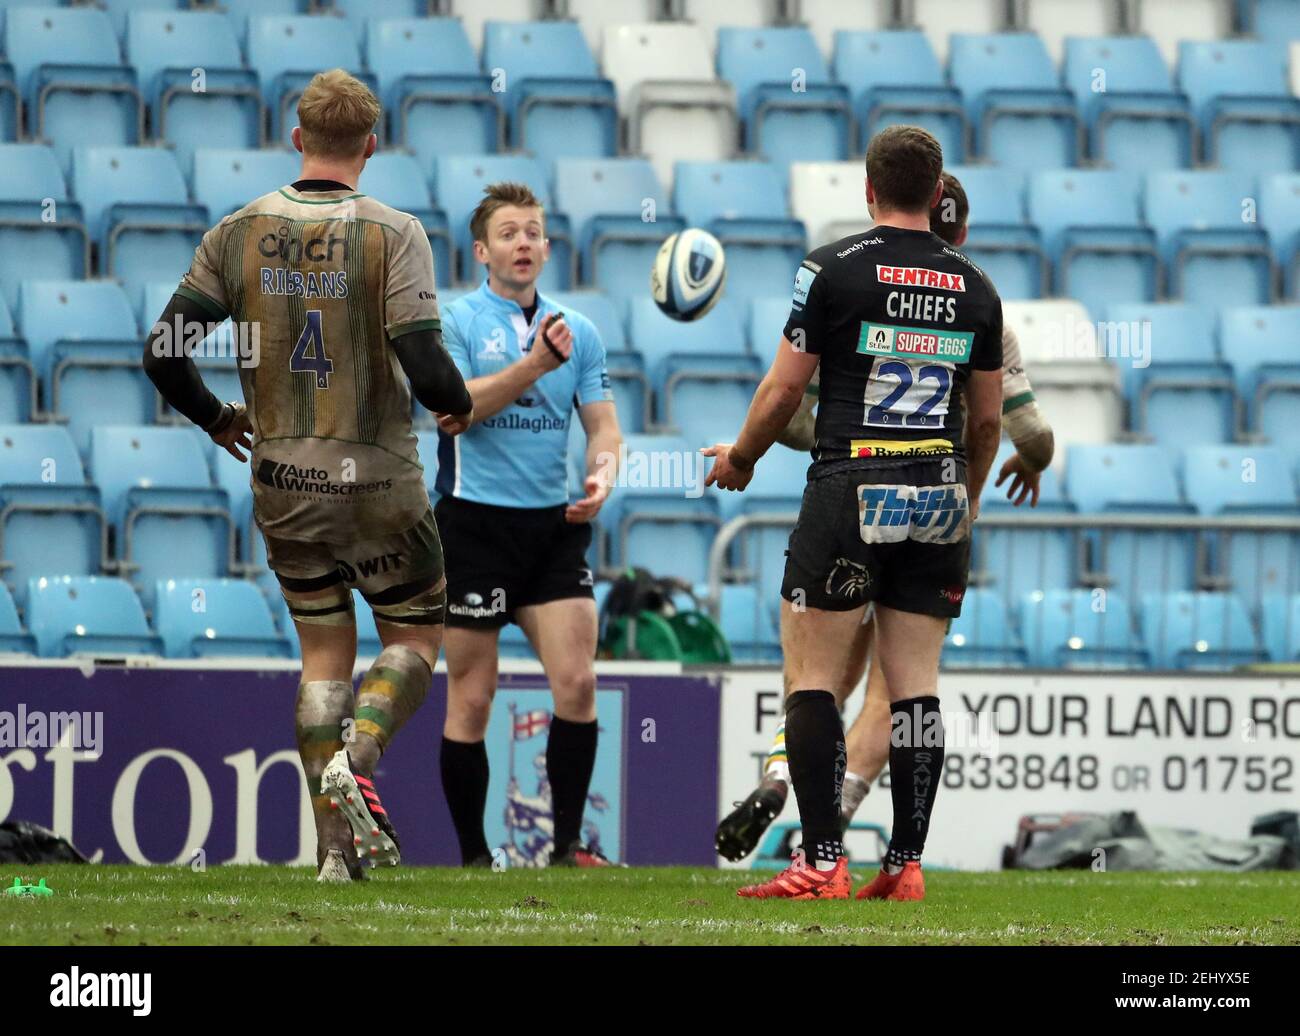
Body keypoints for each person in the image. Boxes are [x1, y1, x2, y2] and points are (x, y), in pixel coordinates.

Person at [142, 70, 473, 882]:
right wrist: (457, 403)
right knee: (414, 637)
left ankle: (333, 855)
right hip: (378, 478)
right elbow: (425, 361)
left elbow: (162, 351)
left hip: (283, 478)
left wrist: (220, 417)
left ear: (298, 139)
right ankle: (358, 755)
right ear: (372, 143)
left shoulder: (240, 229)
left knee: (324, 654)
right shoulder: (392, 231)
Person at [716, 170, 1055, 863]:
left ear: (875, 192)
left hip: (852, 490)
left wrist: (745, 452)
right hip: (937, 503)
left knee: (814, 674)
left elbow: (790, 402)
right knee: (902, 691)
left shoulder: (841, 276)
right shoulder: (982, 297)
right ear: (950, 221)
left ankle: (795, 804)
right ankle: (887, 848)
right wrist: (999, 480)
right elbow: (1012, 428)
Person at [435, 182, 623, 868]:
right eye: (509, 233)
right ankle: (472, 857)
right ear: (482, 250)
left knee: (575, 685)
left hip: (551, 530)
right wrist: (534, 366)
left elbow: (604, 427)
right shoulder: (454, 322)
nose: (523, 243)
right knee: (474, 699)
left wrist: (602, 474)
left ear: (547, 247)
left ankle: (568, 845)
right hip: (473, 529)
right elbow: (454, 412)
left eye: (534, 232)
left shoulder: (582, 329)